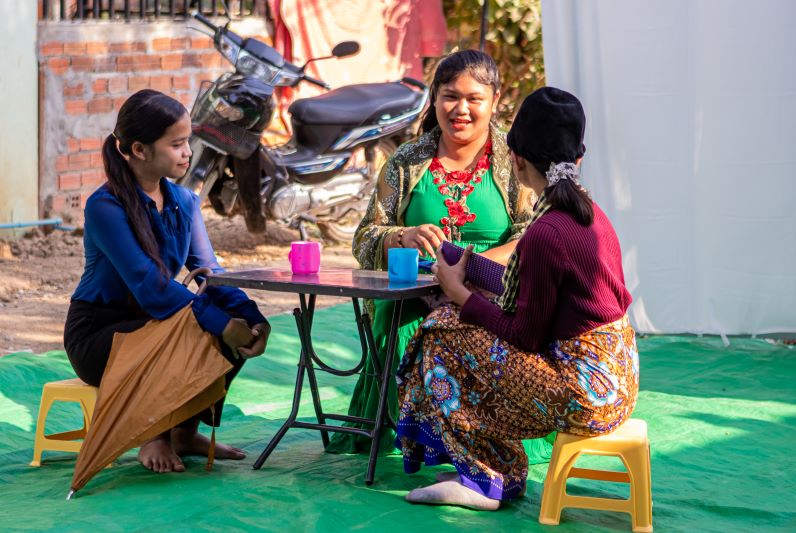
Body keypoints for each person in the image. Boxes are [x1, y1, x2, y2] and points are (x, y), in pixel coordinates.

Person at [394, 87, 639, 510]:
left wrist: (457, 293)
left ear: (516, 157)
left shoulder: (546, 232)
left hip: (586, 393)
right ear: (578, 158)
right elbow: (529, 293)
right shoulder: (586, 214)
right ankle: (491, 468)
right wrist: (465, 264)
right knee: (454, 323)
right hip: (615, 380)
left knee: (441, 330)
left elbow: (524, 334)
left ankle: (487, 477)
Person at [327, 50, 557, 460]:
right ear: (433, 98)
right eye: (450, 96)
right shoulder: (406, 161)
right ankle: (417, 439)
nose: (461, 109)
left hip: (492, 295)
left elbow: (535, 232)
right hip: (413, 297)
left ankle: (480, 441)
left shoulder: (513, 160)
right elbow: (364, 238)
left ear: (496, 99)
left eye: (474, 98)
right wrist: (402, 236)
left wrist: (475, 271)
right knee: (402, 331)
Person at [63, 90, 270, 474]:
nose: (187, 152)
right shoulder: (104, 206)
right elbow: (149, 285)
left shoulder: (184, 201)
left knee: (221, 327)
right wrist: (221, 323)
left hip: (158, 321)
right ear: (139, 150)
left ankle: (183, 432)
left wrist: (251, 316)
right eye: (176, 144)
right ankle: (152, 435)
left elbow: (211, 274)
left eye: (187, 141)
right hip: (99, 333)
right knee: (202, 327)